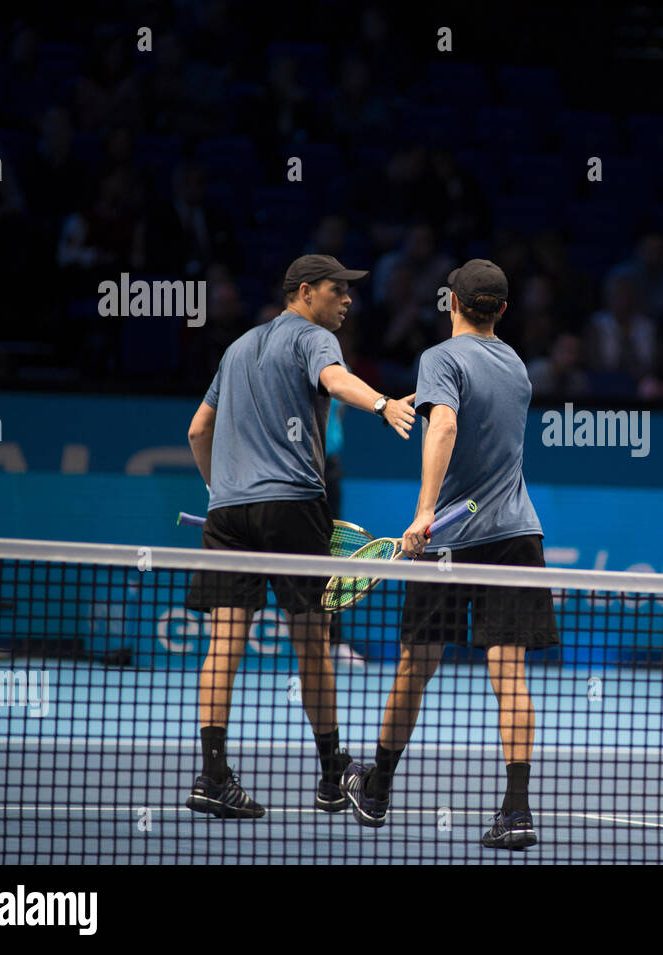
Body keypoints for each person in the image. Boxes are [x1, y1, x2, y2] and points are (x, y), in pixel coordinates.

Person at [183, 254, 416, 818]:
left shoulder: (237, 348)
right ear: (306, 292)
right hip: (291, 508)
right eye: (339, 290)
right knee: (312, 641)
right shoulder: (314, 340)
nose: (348, 300)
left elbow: (198, 429)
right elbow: (336, 382)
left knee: (224, 644)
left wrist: (222, 491)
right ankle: (334, 778)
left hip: (228, 514)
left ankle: (213, 776)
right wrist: (383, 404)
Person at [342, 258, 560, 850]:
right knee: (508, 674)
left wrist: (423, 513)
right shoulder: (517, 365)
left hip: (448, 542)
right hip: (515, 536)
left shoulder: (441, 358)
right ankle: (516, 813)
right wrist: (423, 398)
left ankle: (379, 788)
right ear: (504, 311)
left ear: (451, 303)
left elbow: (445, 428)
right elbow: (472, 404)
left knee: (417, 663)